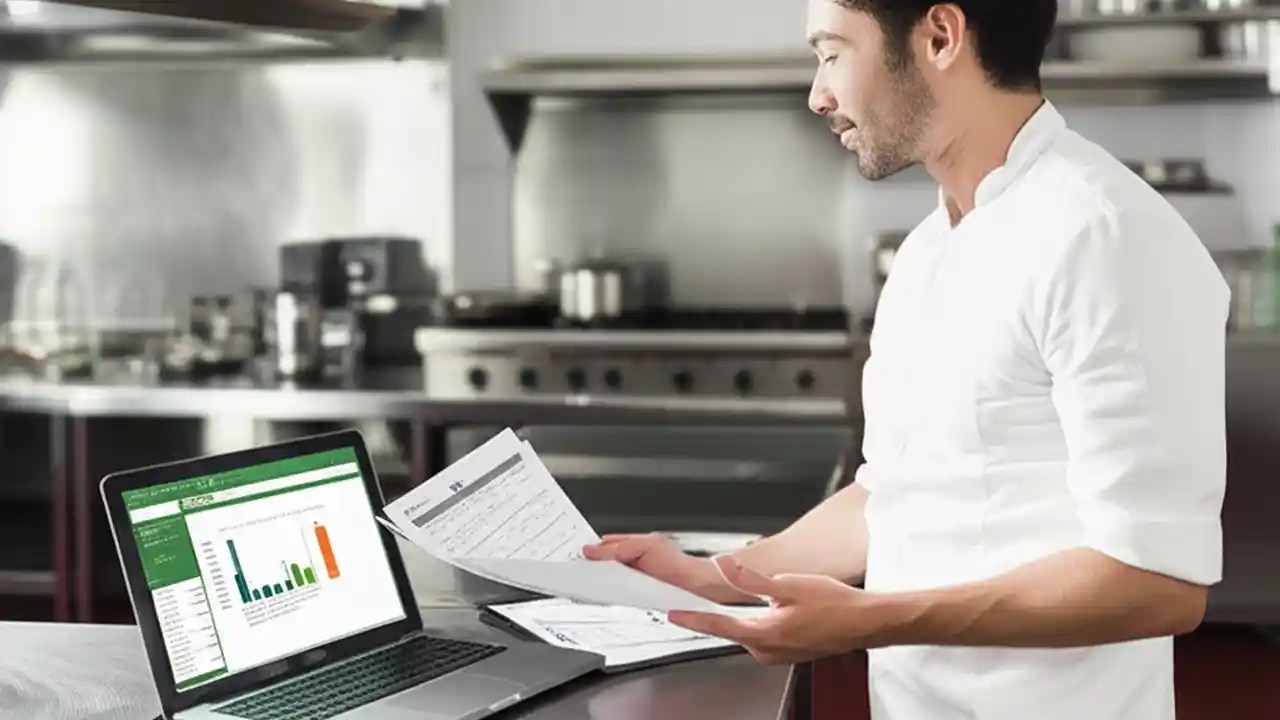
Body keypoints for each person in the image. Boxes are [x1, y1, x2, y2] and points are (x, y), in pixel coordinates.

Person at [584, 1, 1230, 718]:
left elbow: (1157, 581)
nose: (817, 94)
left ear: (940, 36)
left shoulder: (1104, 234)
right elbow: (894, 492)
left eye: (831, 53)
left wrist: (872, 618)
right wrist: (717, 576)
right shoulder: (926, 251)